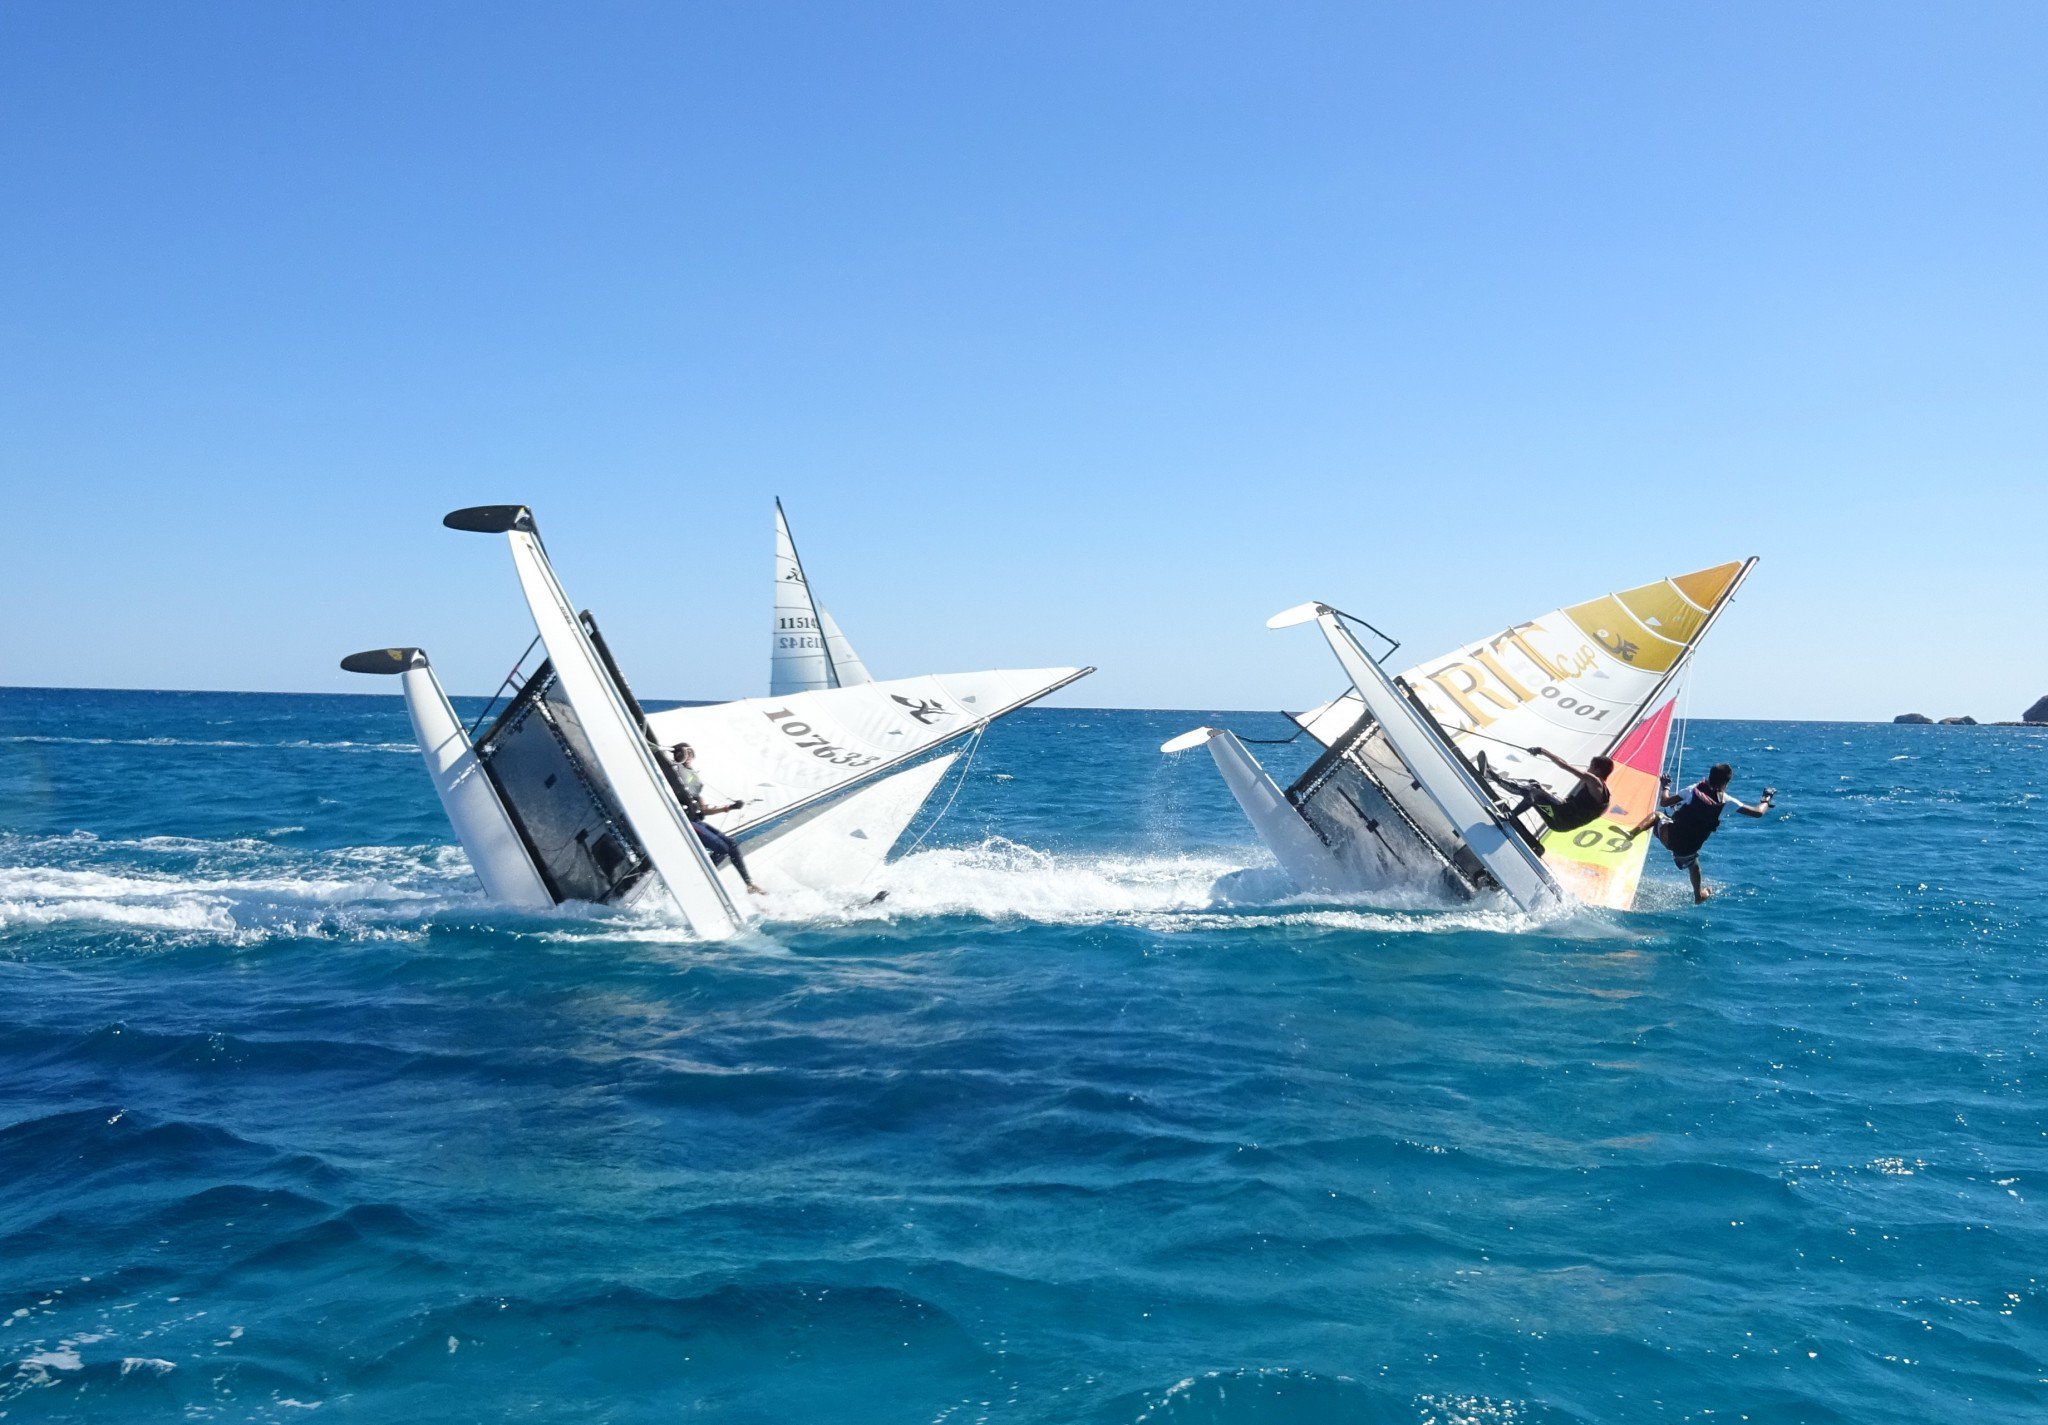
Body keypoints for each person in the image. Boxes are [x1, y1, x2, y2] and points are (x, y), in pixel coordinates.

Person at [1629, 762, 1774, 904]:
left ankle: (1631, 834)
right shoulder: (1728, 802)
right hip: (1685, 851)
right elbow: (1758, 813)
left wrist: (1665, 786)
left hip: (1669, 836)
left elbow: (1665, 802)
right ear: (1726, 783)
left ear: (1709, 776)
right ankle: (1698, 896)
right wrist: (1766, 798)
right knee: (1694, 865)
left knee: (1656, 815)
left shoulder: (1694, 789)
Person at [660, 742, 766, 895]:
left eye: (691, 754)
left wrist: (729, 807)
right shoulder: (675, 768)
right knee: (722, 848)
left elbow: (704, 809)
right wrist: (677, 754)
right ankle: (698, 880)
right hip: (684, 820)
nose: (689, 757)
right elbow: (664, 763)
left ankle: (749, 884)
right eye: (686, 754)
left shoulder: (694, 779)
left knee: (731, 844)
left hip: (695, 820)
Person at [1474, 746, 1614, 834]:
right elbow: (1580, 812)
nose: (1587, 770)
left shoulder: (1593, 780)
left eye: (1590, 767)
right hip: (1560, 823)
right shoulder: (1606, 797)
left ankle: (1509, 816)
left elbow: (1563, 765)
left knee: (1533, 792)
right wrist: (1551, 796)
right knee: (1535, 786)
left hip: (1561, 817)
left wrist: (1543, 751)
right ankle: (1491, 776)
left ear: (1597, 769)